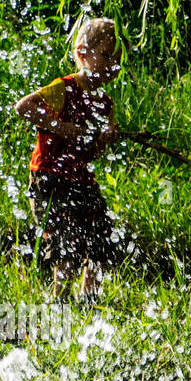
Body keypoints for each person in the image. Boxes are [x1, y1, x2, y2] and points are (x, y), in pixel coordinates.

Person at [13, 16, 124, 299]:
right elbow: (24, 107)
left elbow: (93, 153)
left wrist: (103, 140)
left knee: (102, 236)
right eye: (106, 56)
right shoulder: (64, 88)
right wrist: (61, 127)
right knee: (65, 240)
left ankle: (89, 300)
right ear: (81, 54)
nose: (112, 65)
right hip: (49, 175)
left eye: (117, 59)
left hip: (81, 177)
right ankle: (59, 301)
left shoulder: (105, 104)